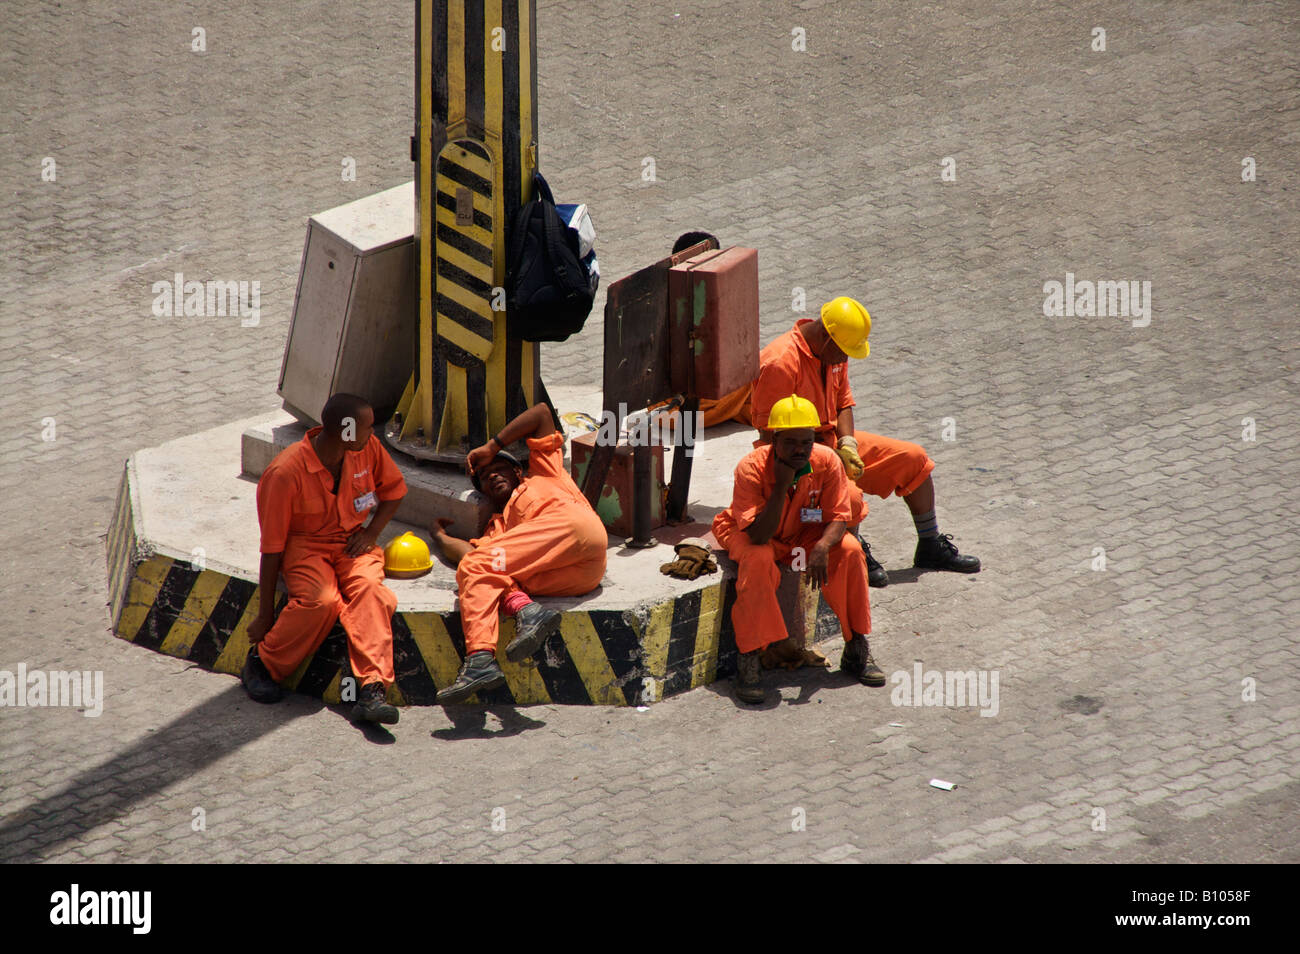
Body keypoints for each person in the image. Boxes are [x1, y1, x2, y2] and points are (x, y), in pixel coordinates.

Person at [749, 297, 980, 586]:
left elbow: (843, 402)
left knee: (914, 459)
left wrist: (847, 444)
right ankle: (854, 549)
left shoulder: (831, 351)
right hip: (795, 456)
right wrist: (824, 462)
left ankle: (930, 545)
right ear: (824, 336)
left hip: (832, 441)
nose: (846, 359)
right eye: (844, 352)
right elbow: (769, 436)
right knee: (851, 498)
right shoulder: (779, 363)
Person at [242, 393, 407, 724]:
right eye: (367, 427)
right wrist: (264, 615)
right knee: (322, 602)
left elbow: (394, 491)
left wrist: (371, 533)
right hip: (306, 548)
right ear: (346, 430)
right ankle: (263, 663)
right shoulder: (285, 473)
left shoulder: (367, 450)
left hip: (352, 543)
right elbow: (272, 548)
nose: (373, 434)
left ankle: (372, 691)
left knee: (372, 592)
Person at [430, 403, 607, 705]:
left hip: (578, 531)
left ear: (516, 470)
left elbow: (540, 414)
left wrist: (491, 447)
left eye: (497, 468)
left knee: (483, 564)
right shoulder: (497, 530)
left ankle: (501, 640)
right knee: (487, 573)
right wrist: (439, 537)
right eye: (484, 477)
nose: (491, 476)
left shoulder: (544, 473)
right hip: (578, 576)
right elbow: (470, 558)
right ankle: (484, 657)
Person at [712, 395, 884, 704]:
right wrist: (781, 486)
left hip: (804, 536)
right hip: (754, 534)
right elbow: (760, 535)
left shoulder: (827, 460)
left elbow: (838, 516)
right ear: (773, 440)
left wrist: (822, 546)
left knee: (849, 551)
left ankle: (856, 644)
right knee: (757, 560)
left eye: (806, 441)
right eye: (790, 442)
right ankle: (749, 657)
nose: (800, 450)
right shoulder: (750, 468)